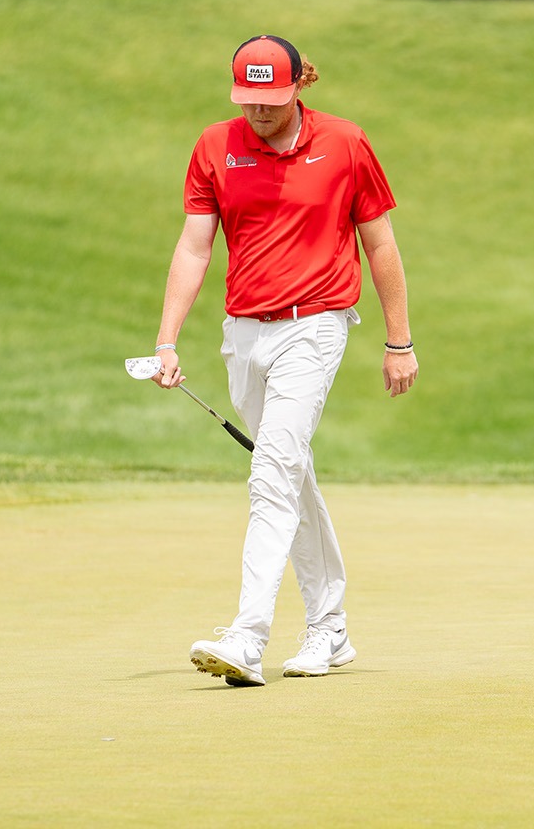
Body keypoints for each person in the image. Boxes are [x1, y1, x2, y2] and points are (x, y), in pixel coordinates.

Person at [153, 34, 418, 688]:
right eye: (248, 99)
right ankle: (330, 626)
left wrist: (399, 341)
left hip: (316, 325)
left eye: (272, 99)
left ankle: (247, 636)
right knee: (289, 472)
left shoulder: (346, 143)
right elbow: (194, 247)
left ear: (300, 84)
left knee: (271, 472)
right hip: (244, 334)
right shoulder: (214, 146)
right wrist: (166, 340)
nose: (259, 111)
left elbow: (380, 243)